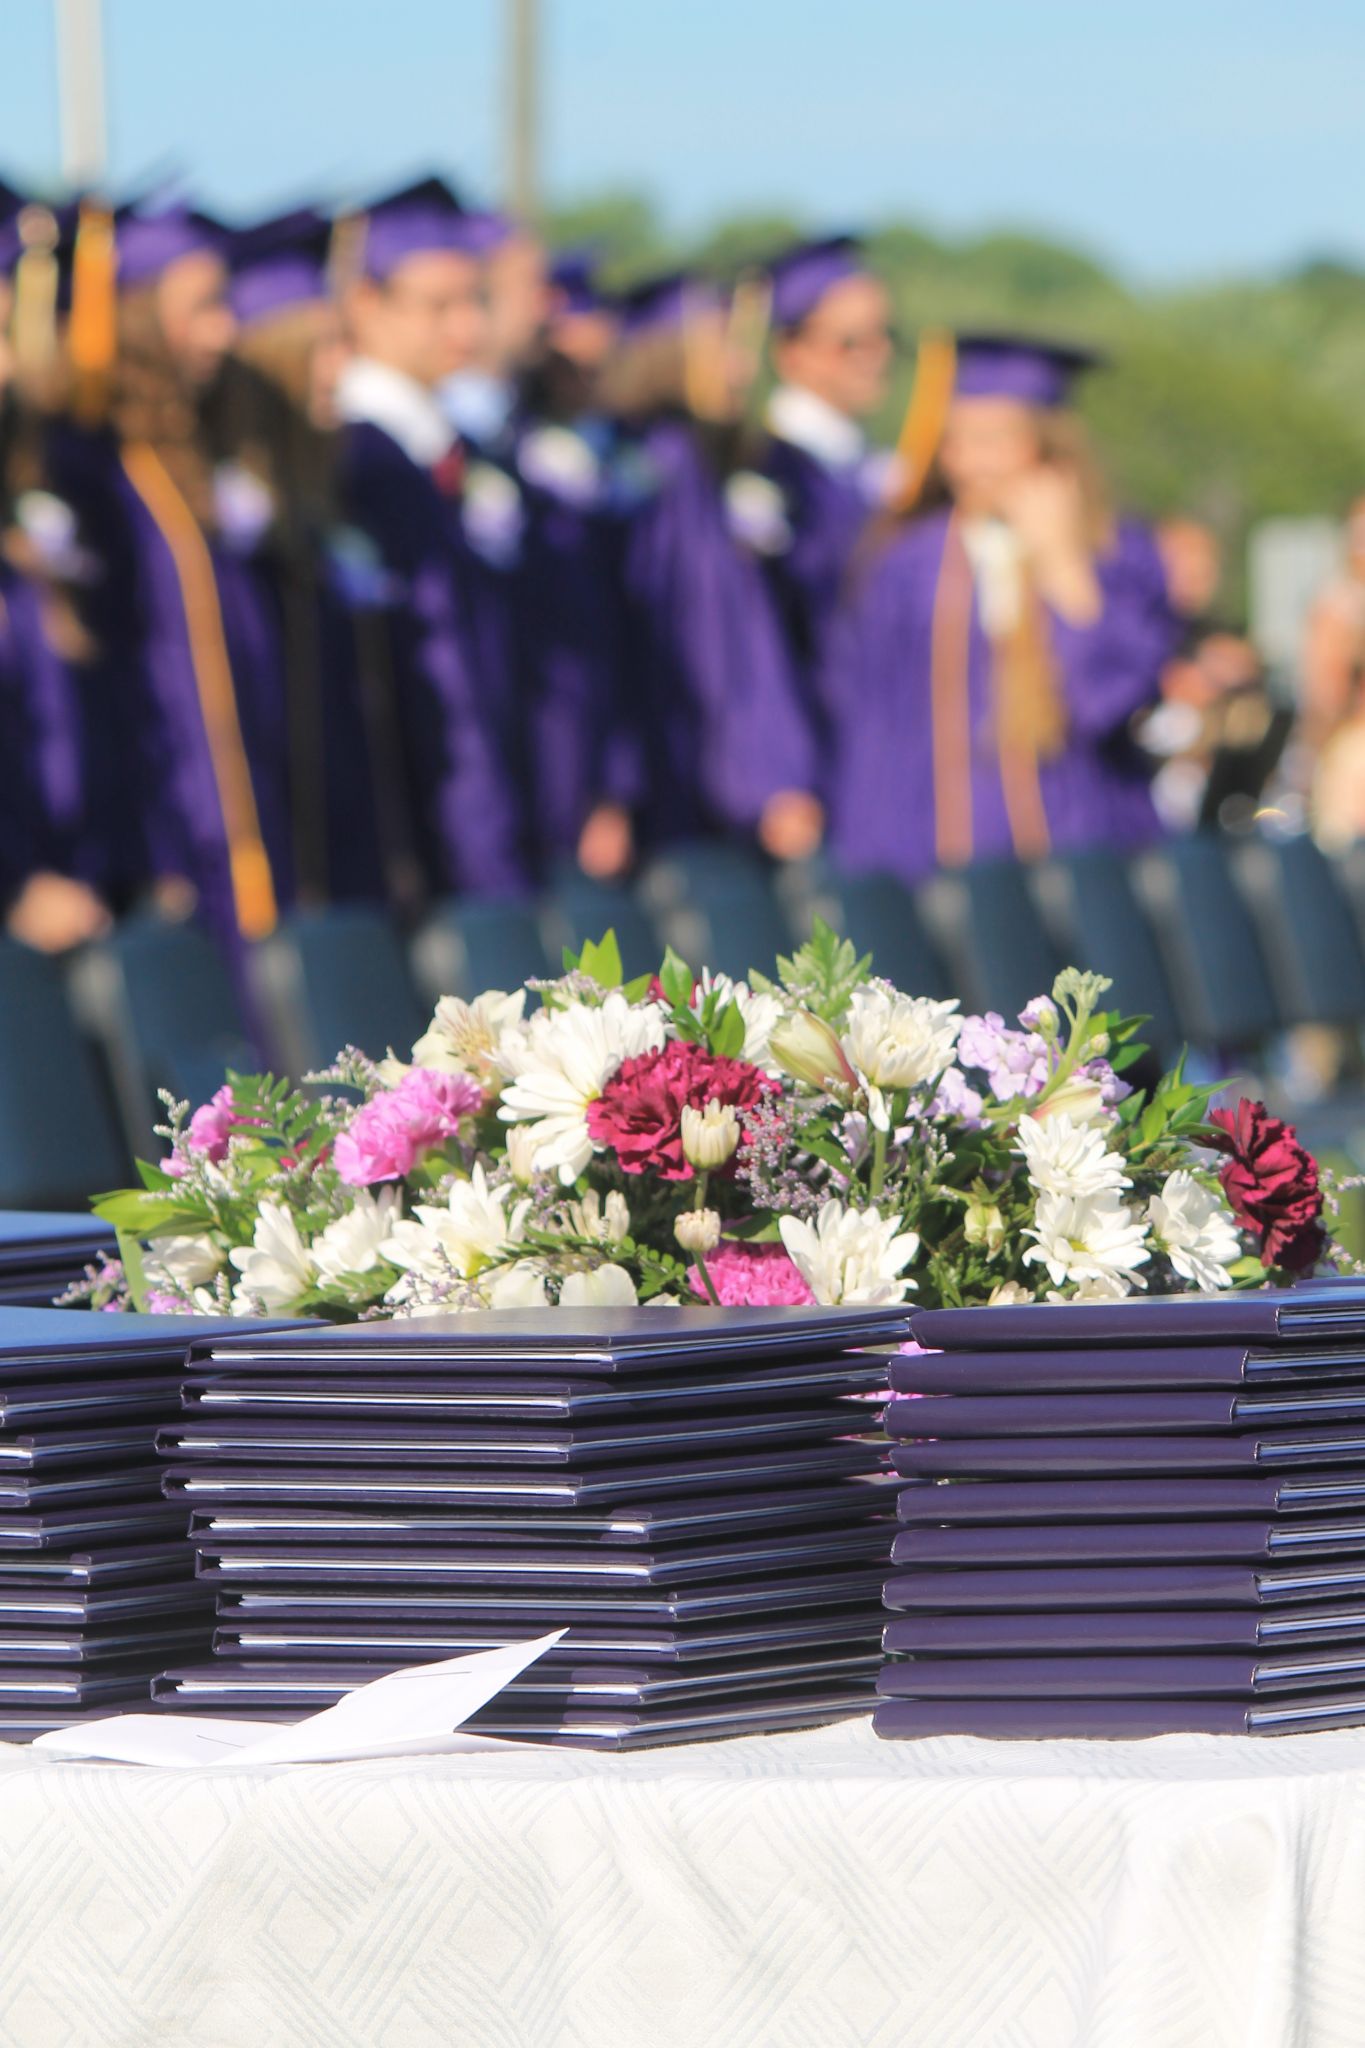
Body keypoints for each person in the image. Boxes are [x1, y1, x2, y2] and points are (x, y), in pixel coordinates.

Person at [823, 333, 1177, 881]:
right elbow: (868, 722)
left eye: (993, 440)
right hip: (929, 852)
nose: (969, 463)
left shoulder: (1118, 554)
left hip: (1083, 854)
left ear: (1049, 444)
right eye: (955, 442)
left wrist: (1063, 567)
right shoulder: (905, 564)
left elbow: (1109, 702)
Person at [333, 176, 528, 900]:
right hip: (411, 833)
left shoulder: (456, 451)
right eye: (438, 306)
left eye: (475, 301)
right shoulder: (354, 461)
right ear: (365, 304)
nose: (466, 329)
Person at [600, 270, 823, 859]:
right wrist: (767, 777)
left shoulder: (700, 466)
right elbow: (715, 641)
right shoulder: (665, 469)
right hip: (682, 772)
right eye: (724, 347)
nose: (743, 370)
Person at [750, 235, 896, 723]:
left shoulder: (874, 474)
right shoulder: (767, 476)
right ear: (791, 352)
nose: (876, 355)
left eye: (884, 336)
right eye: (850, 342)